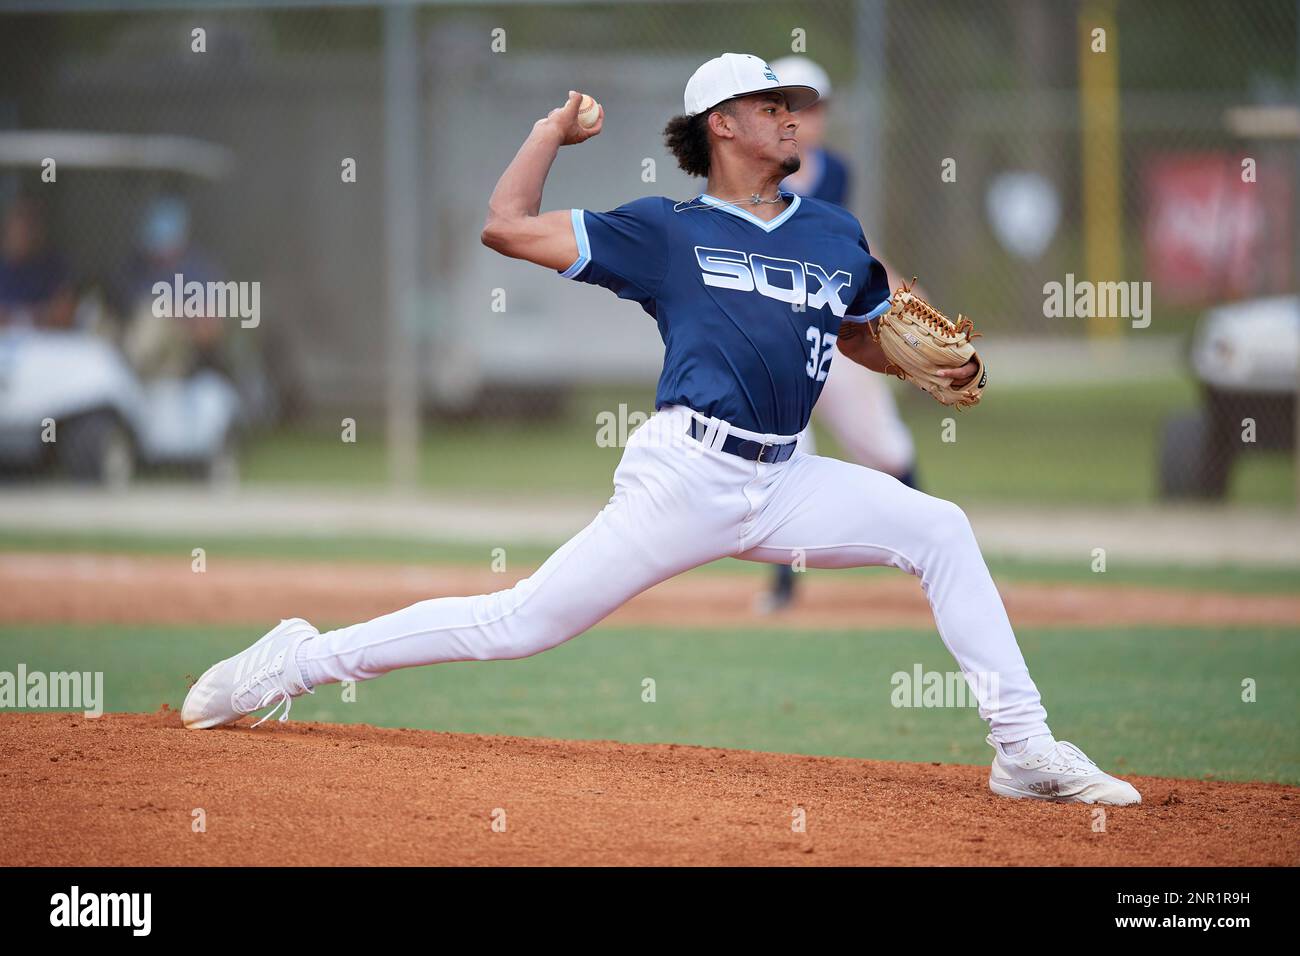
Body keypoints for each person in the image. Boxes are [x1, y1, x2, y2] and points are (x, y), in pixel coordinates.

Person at [183, 53, 1140, 805]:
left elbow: (867, 340)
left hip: (788, 480)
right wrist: (548, 132)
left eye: (792, 104)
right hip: (685, 477)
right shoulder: (665, 230)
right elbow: (505, 225)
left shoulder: (833, 233)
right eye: (771, 104)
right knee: (520, 624)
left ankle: (1022, 750)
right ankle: (297, 659)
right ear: (723, 124)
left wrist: (925, 365)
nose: (791, 116)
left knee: (942, 529)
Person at [760, 55, 919, 613]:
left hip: (836, 333)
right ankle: (782, 589)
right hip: (776, 343)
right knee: (782, 456)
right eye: (792, 104)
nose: (806, 116)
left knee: (885, 447)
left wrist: (899, 294)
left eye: (815, 105)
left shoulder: (838, 174)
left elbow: (849, 246)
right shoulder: (750, 172)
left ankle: (931, 555)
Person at [0, 196, 75, 330]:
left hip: (43, 343)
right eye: (19, 221)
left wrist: (17, 317)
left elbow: (64, 314)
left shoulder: (51, 266)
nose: (24, 230)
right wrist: (37, 315)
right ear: (8, 228)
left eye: (30, 223)